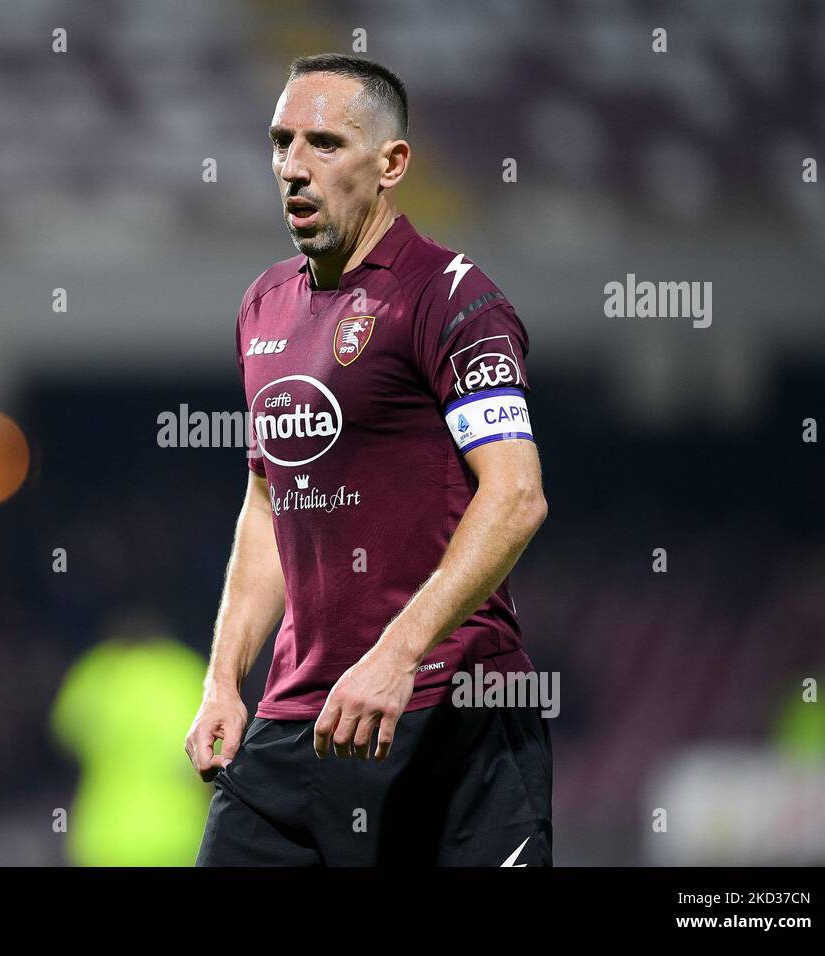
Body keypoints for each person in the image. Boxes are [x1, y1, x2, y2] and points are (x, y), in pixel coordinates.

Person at [186, 53, 552, 866]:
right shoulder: (264, 305)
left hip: (450, 717)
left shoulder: (453, 297)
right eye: (282, 142)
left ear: (391, 164)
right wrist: (223, 681)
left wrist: (395, 656)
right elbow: (268, 504)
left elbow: (518, 496)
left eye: (325, 143)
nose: (293, 168)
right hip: (298, 728)